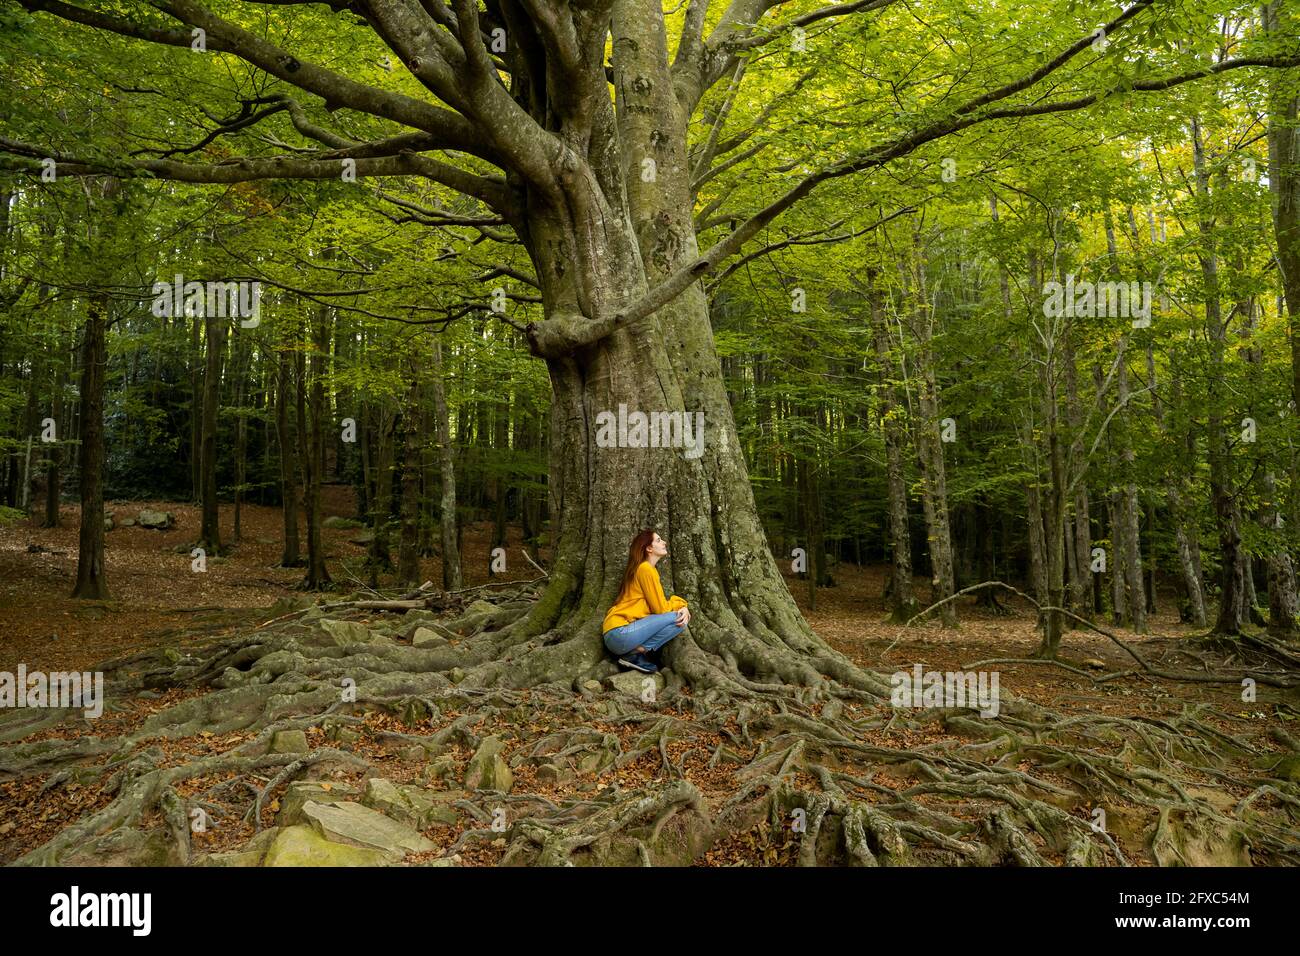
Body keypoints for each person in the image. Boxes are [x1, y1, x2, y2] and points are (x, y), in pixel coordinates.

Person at [601, 529, 690, 673]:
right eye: (659, 540)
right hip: (619, 631)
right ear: (649, 548)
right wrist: (682, 604)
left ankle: (633, 654)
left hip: (618, 635)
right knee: (679, 617)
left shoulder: (647, 570)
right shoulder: (645, 569)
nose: (664, 542)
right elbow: (660, 609)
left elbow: (658, 607)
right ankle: (632, 654)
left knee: (681, 622)